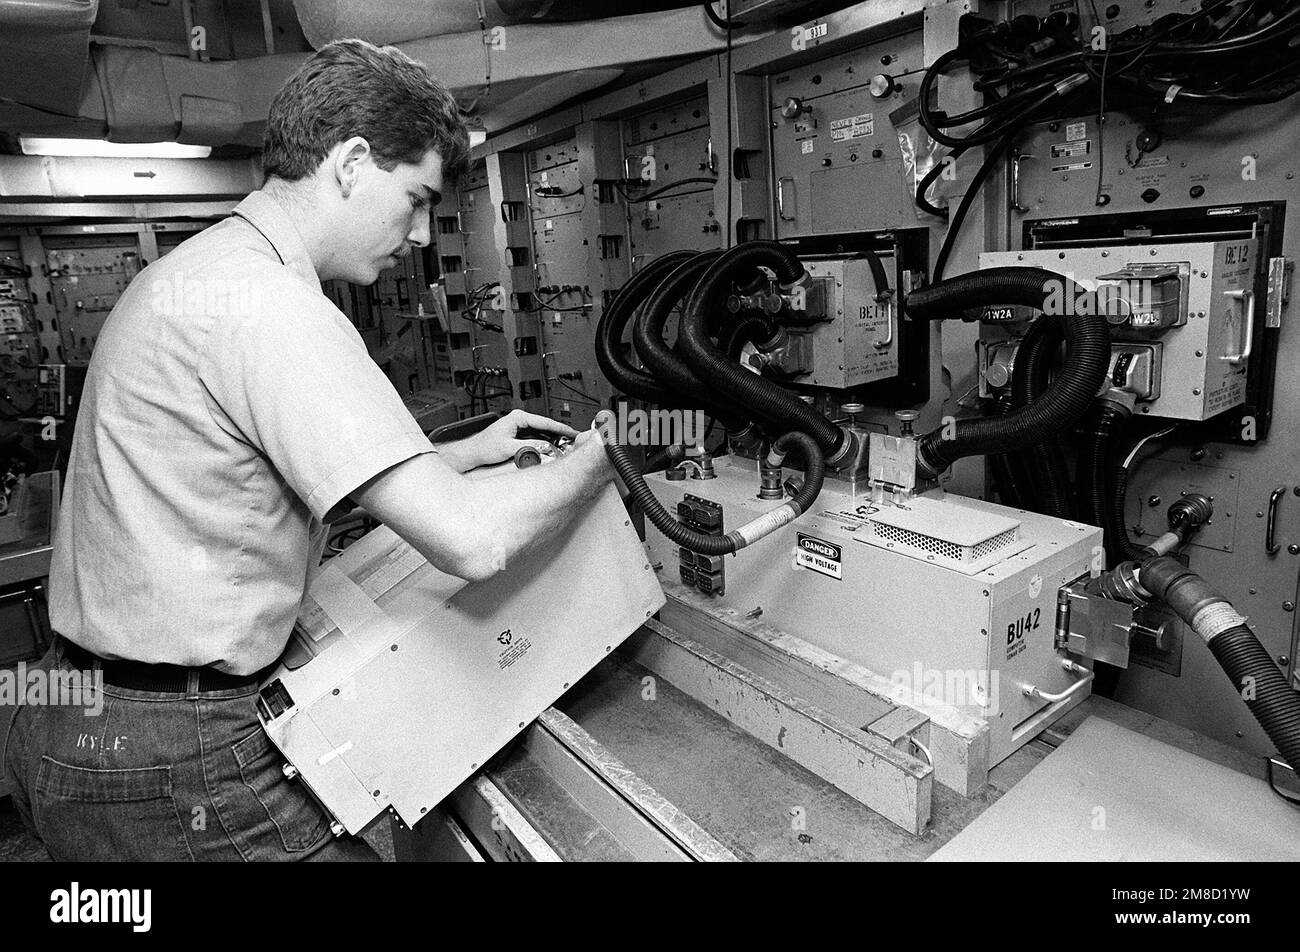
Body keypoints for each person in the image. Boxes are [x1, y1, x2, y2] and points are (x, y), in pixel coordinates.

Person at [1, 39, 612, 861]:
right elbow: (475, 539)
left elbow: (252, 477)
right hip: (176, 753)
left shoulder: (206, 272)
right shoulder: (271, 306)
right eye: (417, 198)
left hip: (85, 713)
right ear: (352, 162)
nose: (425, 235)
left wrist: (458, 458)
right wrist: (601, 458)